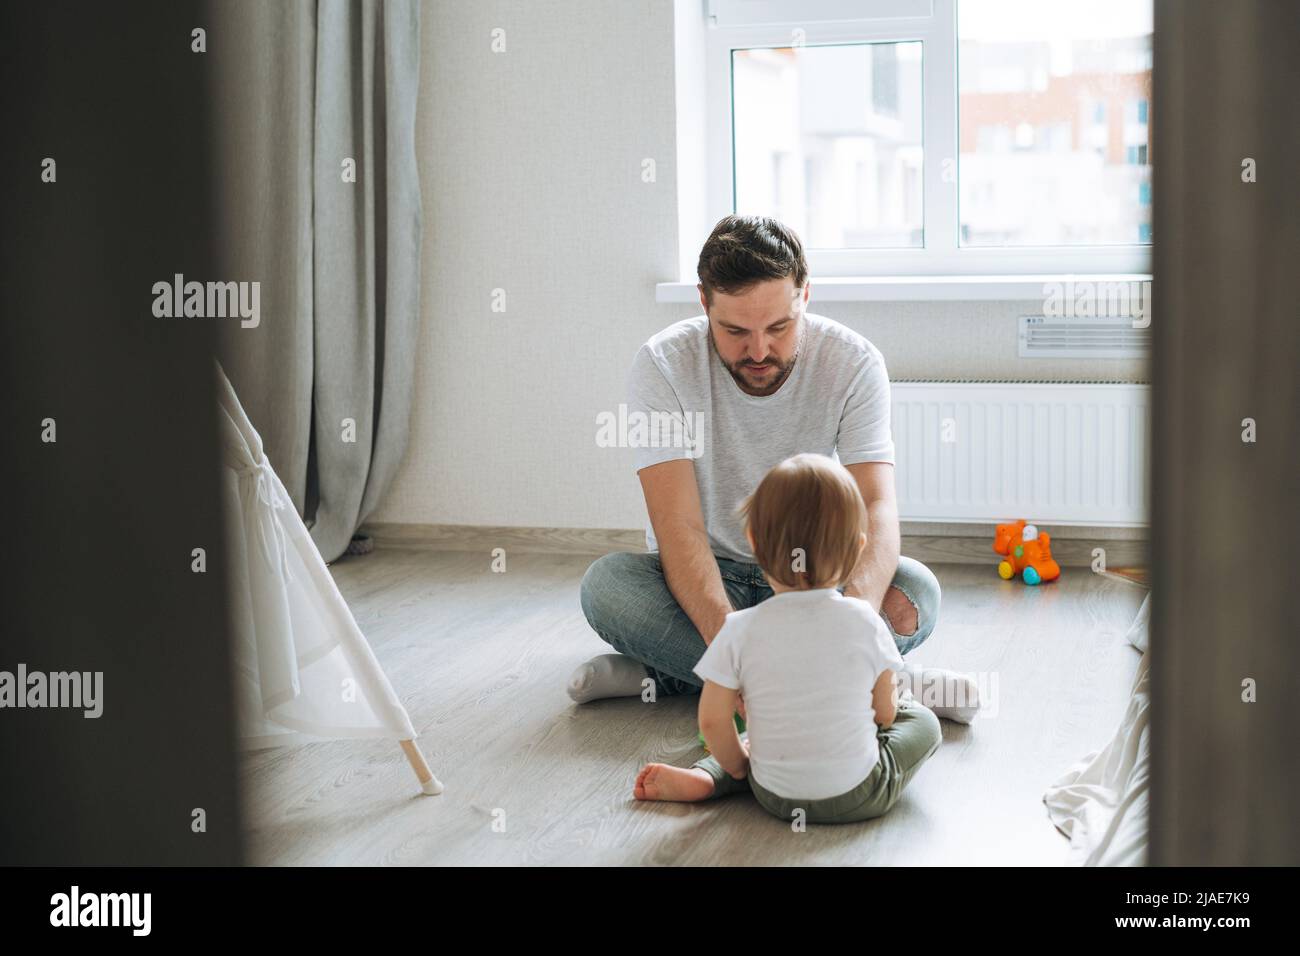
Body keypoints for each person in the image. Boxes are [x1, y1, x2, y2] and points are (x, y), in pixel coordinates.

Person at [570, 214, 980, 724]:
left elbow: (877, 504)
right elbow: (678, 526)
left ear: (804, 296)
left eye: (779, 328)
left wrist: (854, 620)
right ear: (704, 303)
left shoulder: (854, 363)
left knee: (915, 595)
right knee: (606, 587)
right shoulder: (662, 365)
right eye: (735, 330)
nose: (759, 351)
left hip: (813, 577)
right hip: (709, 577)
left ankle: (674, 677)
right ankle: (874, 681)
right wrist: (726, 638)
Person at [633, 454, 942, 823]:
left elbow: (713, 723)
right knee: (923, 723)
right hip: (857, 794)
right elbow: (885, 713)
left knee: (755, 742)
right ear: (859, 547)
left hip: (772, 795)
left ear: (753, 542)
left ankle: (713, 776)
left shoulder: (737, 630)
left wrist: (739, 767)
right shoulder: (865, 621)